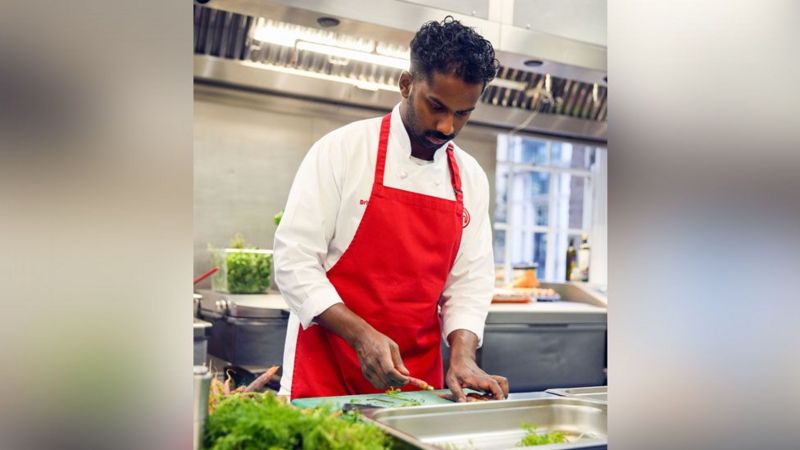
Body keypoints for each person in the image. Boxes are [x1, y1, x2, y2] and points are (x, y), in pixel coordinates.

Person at [274, 16, 509, 402]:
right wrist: (360, 335)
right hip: (324, 379)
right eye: (436, 106)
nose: (447, 126)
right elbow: (293, 262)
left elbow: (469, 280)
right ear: (406, 84)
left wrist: (463, 354)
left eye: (463, 113)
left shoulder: (469, 177)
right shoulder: (343, 151)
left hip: (417, 386)